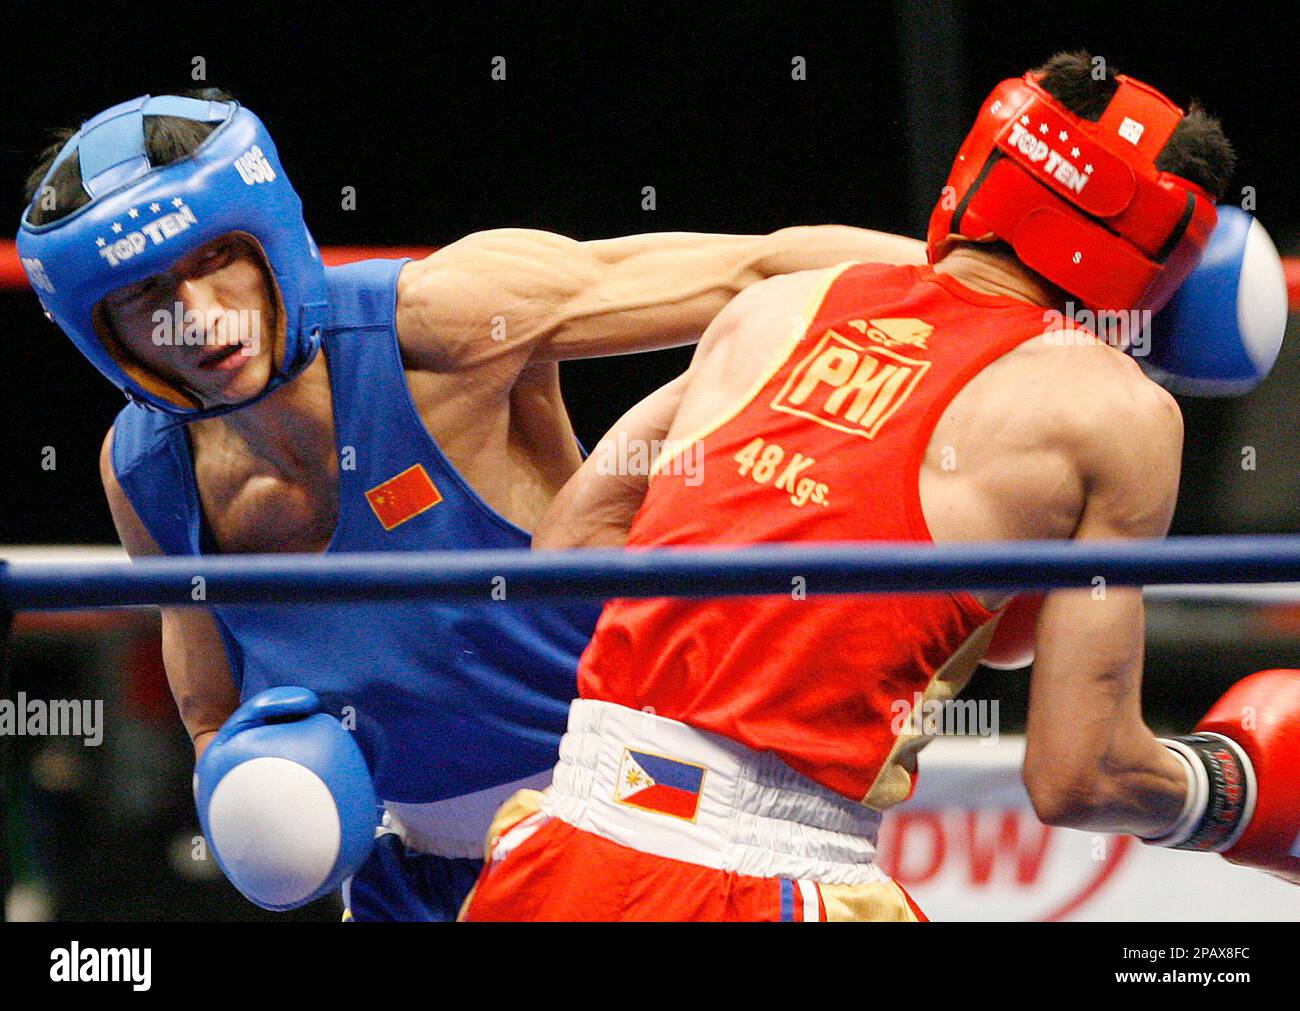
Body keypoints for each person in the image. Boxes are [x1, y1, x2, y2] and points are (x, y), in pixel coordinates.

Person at [16, 90, 925, 920]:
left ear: (273, 240)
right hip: (409, 875)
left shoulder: (443, 323)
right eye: (145, 296)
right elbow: (209, 705)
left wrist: (999, 295)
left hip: (628, 829)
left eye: (218, 262)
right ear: (101, 332)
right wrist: (252, 785)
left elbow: (757, 272)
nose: (202, 319)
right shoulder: (143, 470)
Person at [463, 52, 1298, 922]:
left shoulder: (785, 302)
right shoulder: (1119, 411)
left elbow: (571, 551)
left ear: (984, 161)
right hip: (773, 878)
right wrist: (1225, 792)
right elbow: (1079, 773)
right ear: (1159, 263)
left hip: (561, 843)